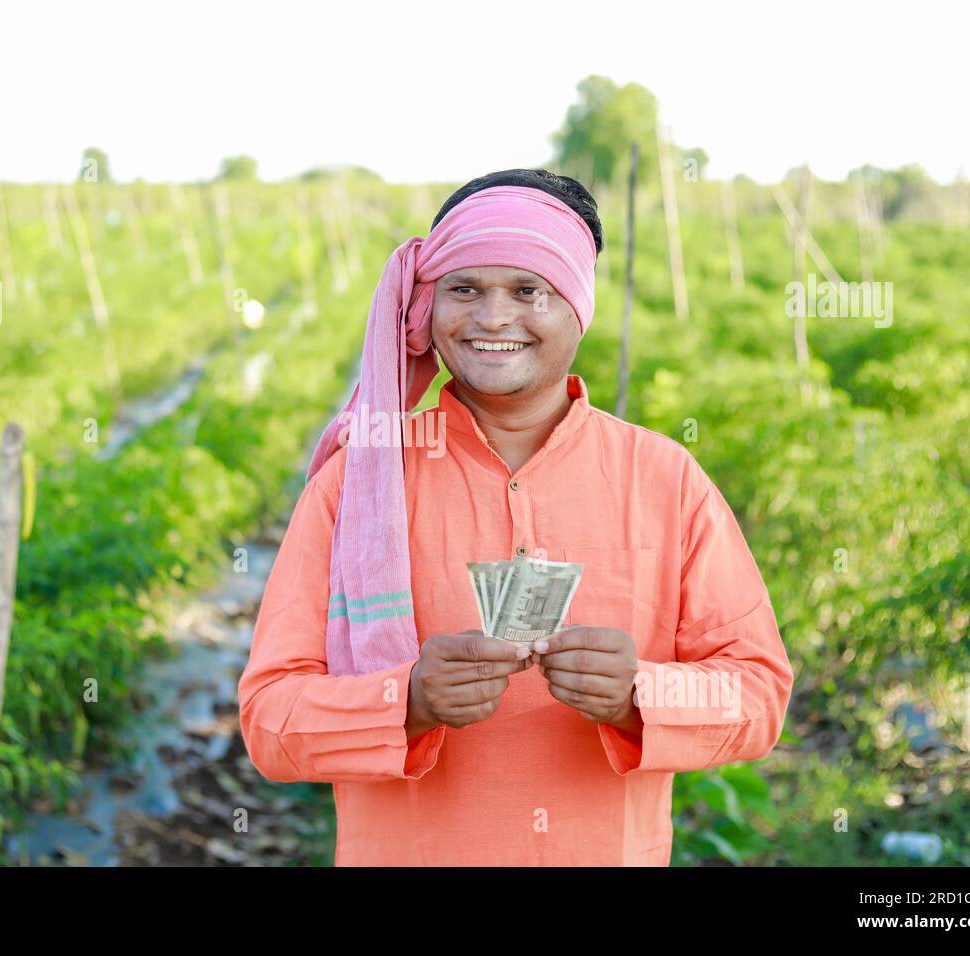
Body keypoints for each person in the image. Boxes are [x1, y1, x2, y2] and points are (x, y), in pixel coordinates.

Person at [237, 168, 794, 866]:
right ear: (427, 308)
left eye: (529, 290)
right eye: (464, 289)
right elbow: (269, 719)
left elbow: (760, 693)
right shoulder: (359, 486)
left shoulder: (664, 480)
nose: (494, 318)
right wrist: (402, 700)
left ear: (577, 308)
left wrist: (641, 693)